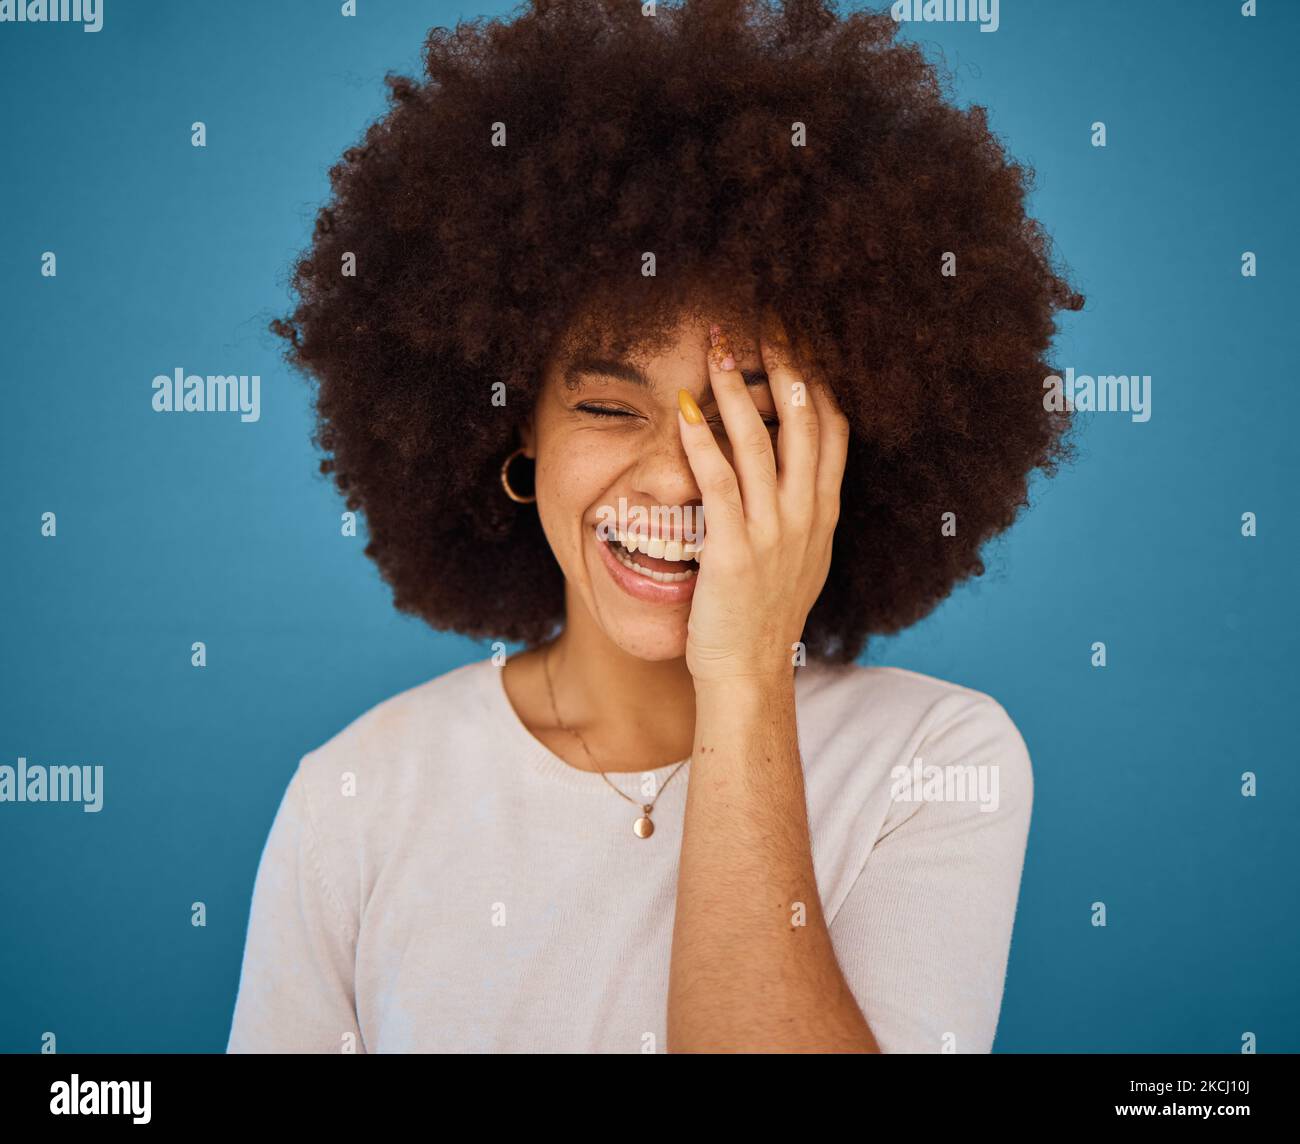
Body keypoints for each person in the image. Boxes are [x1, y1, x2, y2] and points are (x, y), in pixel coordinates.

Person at [228, 0, 1083, 1053]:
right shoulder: (353, 797)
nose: (681, 476)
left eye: (752, 419)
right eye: (604, 405)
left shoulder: (938, 760)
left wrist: (744, 669)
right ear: (513, 431)